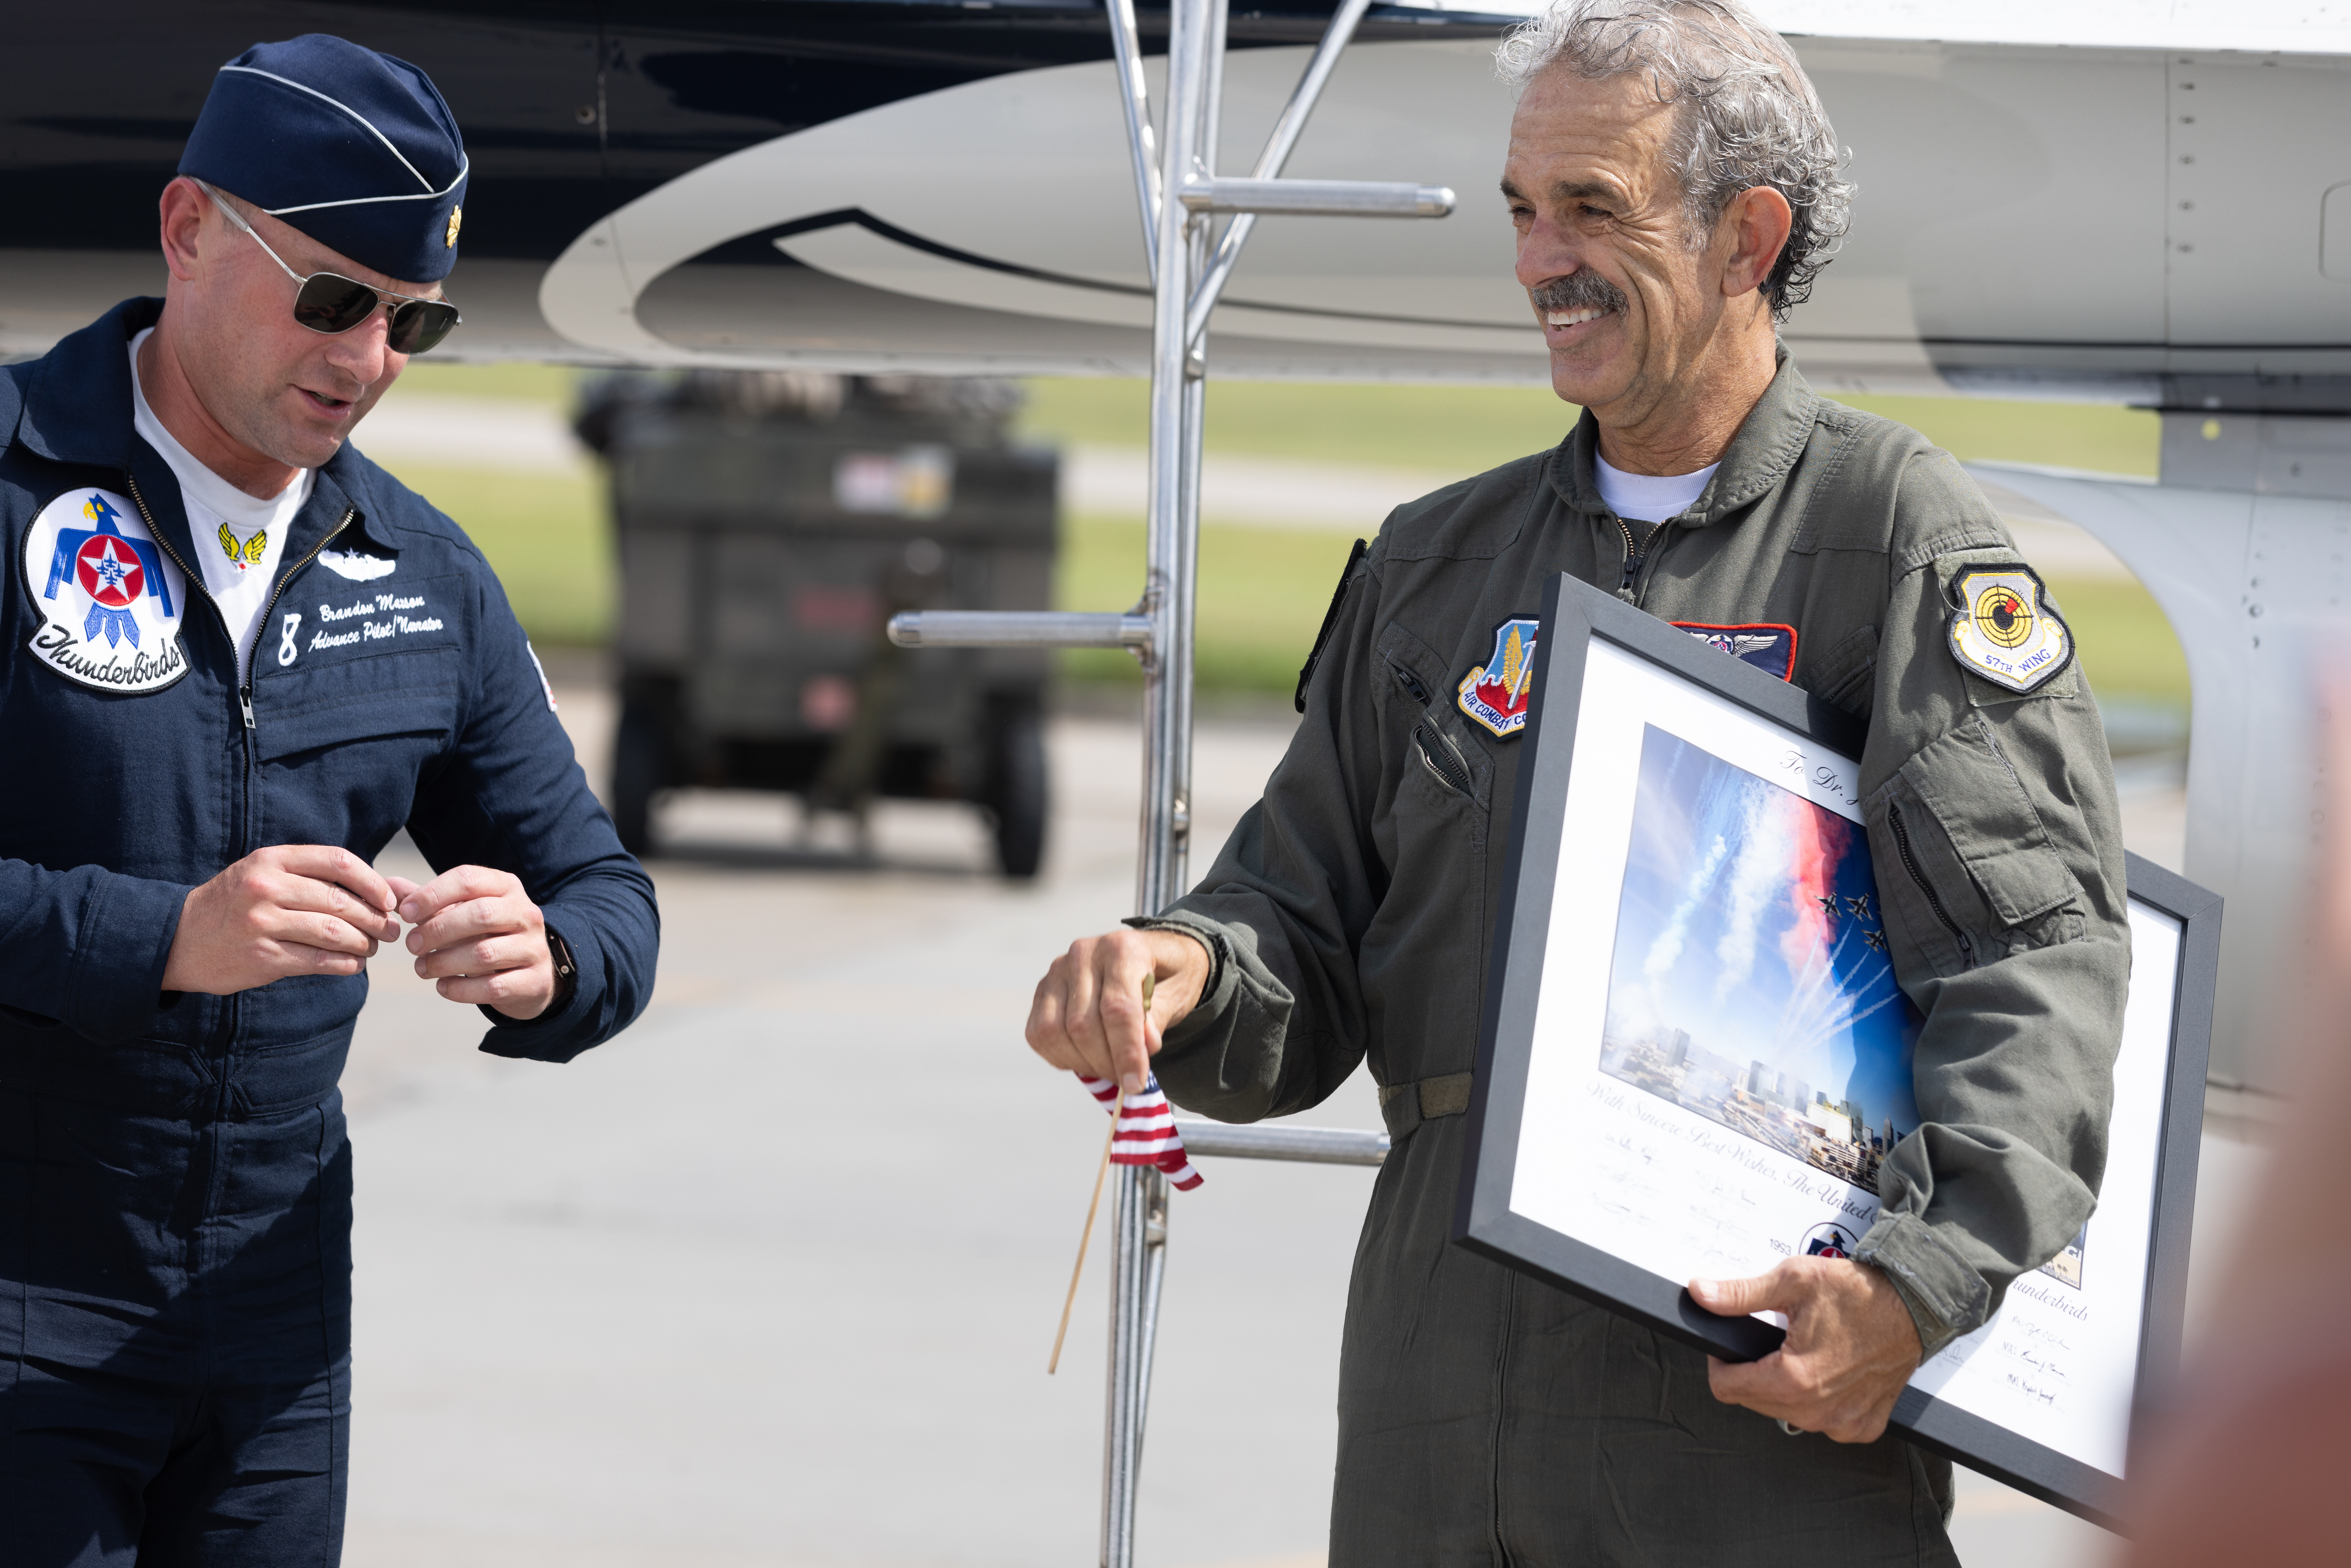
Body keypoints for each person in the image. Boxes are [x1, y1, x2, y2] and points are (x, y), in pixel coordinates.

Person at [1022, 1, 2129, 1559]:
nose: (1542, 261)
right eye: (1525, 212)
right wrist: (1182, 968)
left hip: (1754, 1427)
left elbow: (2036, 963)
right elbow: (1299, 923)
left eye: (1595, 211)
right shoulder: (1434, 566)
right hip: (1438, 1408)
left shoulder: (1902, 547)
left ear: (1750, 235)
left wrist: (1917, 1285)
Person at [0, 34, 658, 1563]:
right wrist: (163, 934)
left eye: (412, 319)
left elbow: (605, 892)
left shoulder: (420, 571)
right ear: (187, 229)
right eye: (332, 297)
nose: (367, 356)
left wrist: (550, 959)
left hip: (273, 1341)